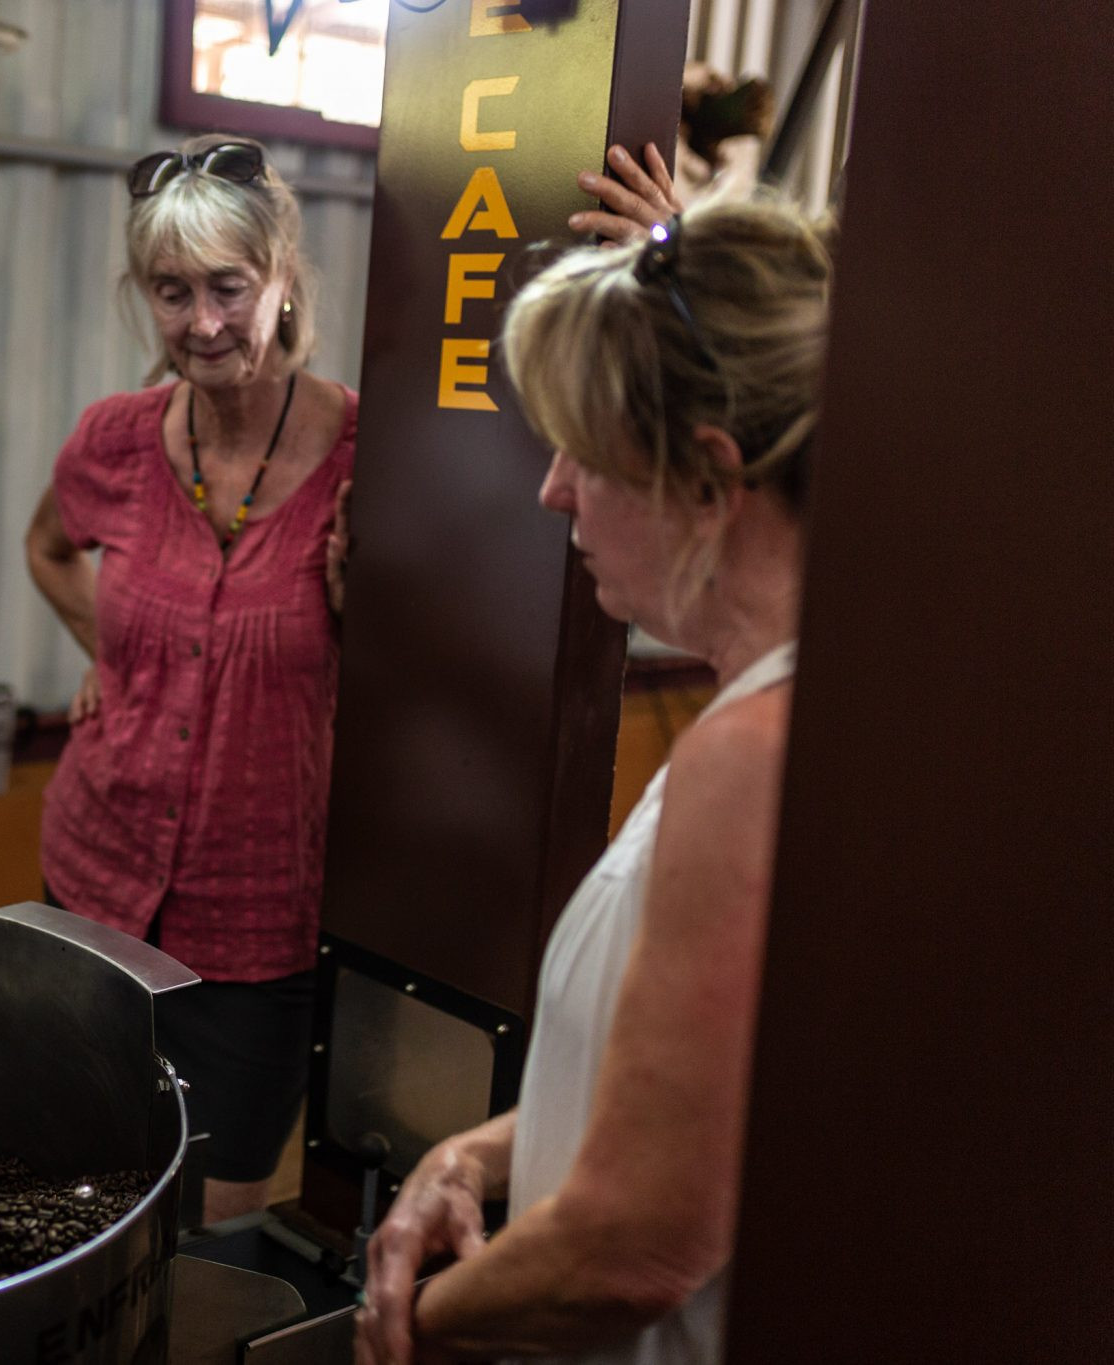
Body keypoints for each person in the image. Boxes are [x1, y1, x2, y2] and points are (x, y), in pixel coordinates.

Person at [354, 197, 833, 1365]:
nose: (552, 491)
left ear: (708, 483)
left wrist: (399, 1331)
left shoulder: (751, 755)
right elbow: (699, 1109)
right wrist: (474, 1156)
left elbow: (631, 1252)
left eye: (585, 454)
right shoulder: (780, 709)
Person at [24, 135, 355, 1224]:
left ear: (284, 281)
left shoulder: (365, 455)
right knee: (78, 1185)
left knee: (214, 1231)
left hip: (255, 917)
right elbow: (48, 547)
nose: (202, 323)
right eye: (173, 292)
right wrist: (115, 661)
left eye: (229, 287)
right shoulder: (114, 441)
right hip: (95, 875)